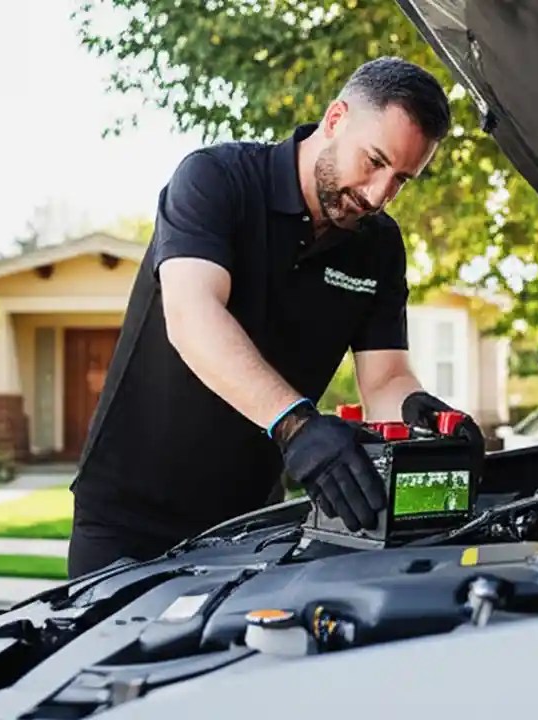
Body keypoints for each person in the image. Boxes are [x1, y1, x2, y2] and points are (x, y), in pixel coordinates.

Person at [66, 56, 484, 579]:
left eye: (401, 179)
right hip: (130, 518)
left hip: (252, 520)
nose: (379, 194)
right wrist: (296, 426)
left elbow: (387, 378)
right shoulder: (216, 182)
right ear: (335, 120)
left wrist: (427, 421)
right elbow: (192, 317)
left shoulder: (378, 246)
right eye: (374, 162)